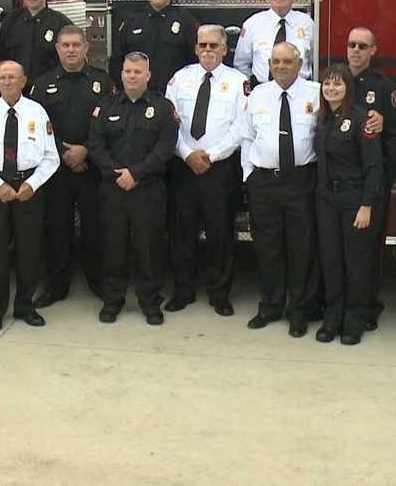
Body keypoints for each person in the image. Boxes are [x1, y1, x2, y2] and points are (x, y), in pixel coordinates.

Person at [0, 61, 60, 331]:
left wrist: (33, 184)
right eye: (2, 78)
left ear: (23, 81)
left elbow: (51, 157)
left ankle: (25, 306)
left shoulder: (37, 112)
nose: (7, 82)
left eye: (12, 77)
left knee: (29, 250)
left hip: (29, 188)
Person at [236, 43, 321, 337]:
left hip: (301, 181)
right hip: (264, 182)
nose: (281, 66)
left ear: (299, 65)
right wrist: (249, 176)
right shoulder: (258, 94)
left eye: (287, 61)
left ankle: (299, 310)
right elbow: (246, 137)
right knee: (267, 248)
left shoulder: (316, 93)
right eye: (276, 62)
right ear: (269, 65)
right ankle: (270, 306)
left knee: (301, 249)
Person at [87, 52, 178, 325]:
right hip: (113, 190)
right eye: (127, 71)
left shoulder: (163, 108)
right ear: (121, 74)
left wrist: (136, 174)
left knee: (148, 249)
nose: (131, 76)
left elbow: (165, 148)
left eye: (137, 72)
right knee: (113, 247)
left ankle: (150, 303)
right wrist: (118, 174)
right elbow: (96, 146)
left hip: (147, 190)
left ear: (148, 75)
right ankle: (112, 301)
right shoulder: (106, 106)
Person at [164, 24, 248, 316]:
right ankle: (183, 291)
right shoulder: (179, 80)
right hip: (184, 167)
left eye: (214, 45)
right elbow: (169, 122)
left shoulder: (239, 82)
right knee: (181, 232)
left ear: (225, 49)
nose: (208, 50)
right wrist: (187, 154)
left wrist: (210, 155)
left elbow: (240, 128)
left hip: (220, 169)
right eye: (203, 45)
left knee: (220, 233)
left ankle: (219, 294)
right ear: (195, 48)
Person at [28, 25, 111, 308]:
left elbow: (109, 124)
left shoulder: (103, 82)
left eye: (77, 44)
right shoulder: (42, 84)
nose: (71, 49)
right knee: (57, 229)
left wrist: (85, 150)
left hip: (92, 168)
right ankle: (56, 285)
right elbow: (37, 126)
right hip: (57, 169)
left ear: (86, 48)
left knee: (95, 228)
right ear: (58, 49)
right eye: (66, 45)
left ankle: (98, 282)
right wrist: (65, 152)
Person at [313, 64, 383, 345]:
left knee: (356, 263)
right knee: (330, 262)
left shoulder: (361, 119)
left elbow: (374, 166)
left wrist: (367, 204)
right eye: (327, 84)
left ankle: (354, 320)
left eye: (338, 84)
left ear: (348, 88)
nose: (331, 88)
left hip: (355, 201)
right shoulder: (323, 119)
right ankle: (333, 318)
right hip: (327, 200)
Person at [344, 26, 396, 331]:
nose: (356, 50)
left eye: (363, 46)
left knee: (368, 252)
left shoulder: (384, 88)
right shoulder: (333, 81)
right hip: (338, 185)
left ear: (373, 51)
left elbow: (392, 140)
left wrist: (383, 183)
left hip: (369, 185)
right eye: (352, 44)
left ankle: (368, 307)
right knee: (339, 250)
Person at [109, 0, 198, 92]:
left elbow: (194, 63)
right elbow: (117, 60)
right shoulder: (132, 21)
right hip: (138, 97)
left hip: (172, 95)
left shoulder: (186, 21)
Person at [233, 0, 315, 84]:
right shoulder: (252, 23)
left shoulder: (307, 23)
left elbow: (314, 61)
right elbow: (241, 64)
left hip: (300, 93)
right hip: (262, 92)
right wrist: (254, 89)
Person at [0, 0, 73, 83]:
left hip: (49, 92)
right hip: (16, 91)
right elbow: (0, 57)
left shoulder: (61, 24)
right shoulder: (10, 22)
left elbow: (69, 61)